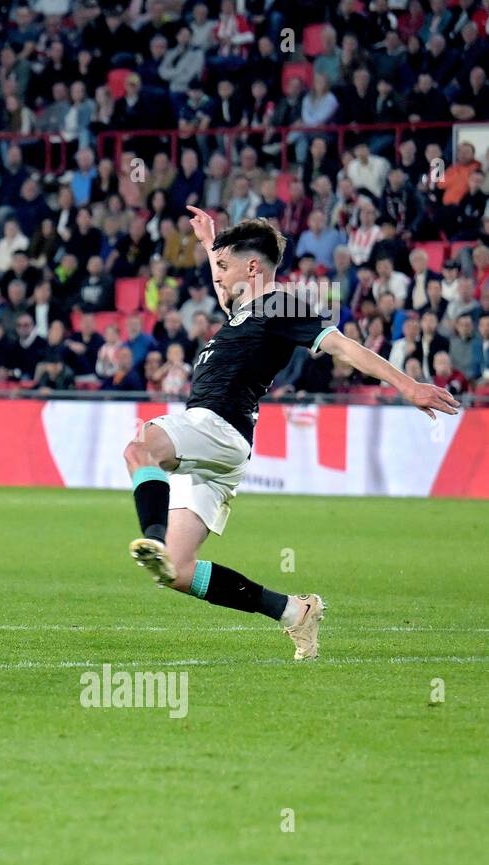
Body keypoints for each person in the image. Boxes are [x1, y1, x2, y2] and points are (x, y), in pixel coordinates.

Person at [122, 211, 459, 660]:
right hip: (220, 445)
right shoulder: (245, 310)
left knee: (140, 446)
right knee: (177, 571)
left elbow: (342, 346)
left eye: (225, 267)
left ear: (254, 268)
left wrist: (408, 386)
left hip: (216, 425)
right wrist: (208, 245)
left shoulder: (282, 304)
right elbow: (227, 290)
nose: (217, 278)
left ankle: (152, 536)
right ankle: (293, 612)